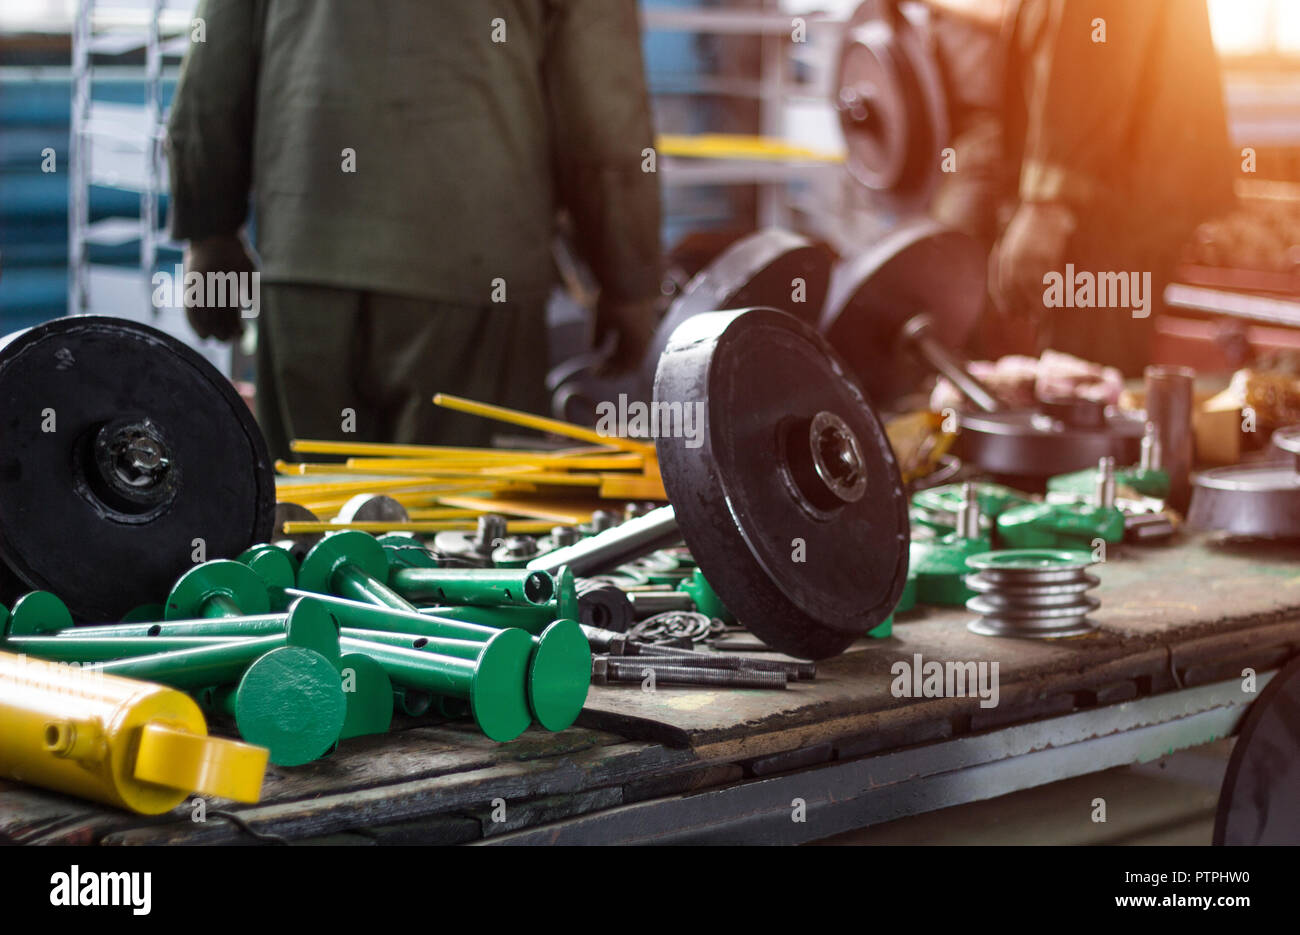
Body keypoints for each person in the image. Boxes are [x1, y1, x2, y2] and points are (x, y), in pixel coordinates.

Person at [166, 0, 662, 458]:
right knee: (461, 535)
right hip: (474, 272)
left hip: (309, 262)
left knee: (306, 530)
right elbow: (603, 104)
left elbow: (216, 59)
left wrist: (209, 233)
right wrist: (627, 279)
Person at [928, 0, 1235, 375]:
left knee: (1084, 382)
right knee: (1090, 377)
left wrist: (1049, 205)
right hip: (1127, 190)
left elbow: (1093, 47)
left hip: (1110, 202)